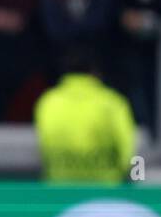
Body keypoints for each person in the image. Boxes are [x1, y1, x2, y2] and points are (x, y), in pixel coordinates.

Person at [33, 46, 136, 183]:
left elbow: (42, 147)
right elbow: (127, 153)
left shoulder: (47, 101)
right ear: (95, 73)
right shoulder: (113, 103)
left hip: (59, 193)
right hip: (105, 193)